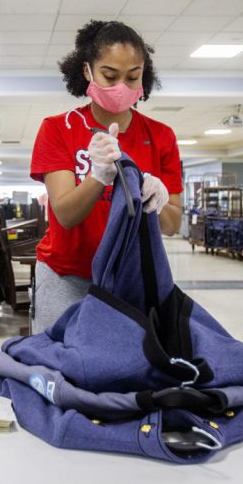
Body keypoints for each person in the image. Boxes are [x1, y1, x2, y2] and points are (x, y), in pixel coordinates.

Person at [29, 20, 183, 334]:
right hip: (66, 276)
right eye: (110, 76)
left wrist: (158, 199)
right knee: (57, 364)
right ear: (88, 71)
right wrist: (98, 175)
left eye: (133, 77)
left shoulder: (161, 136)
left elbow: (173, 225)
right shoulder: (58, 129)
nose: (121, 88)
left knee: (126, 368)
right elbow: (65, 214)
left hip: (131, 277)